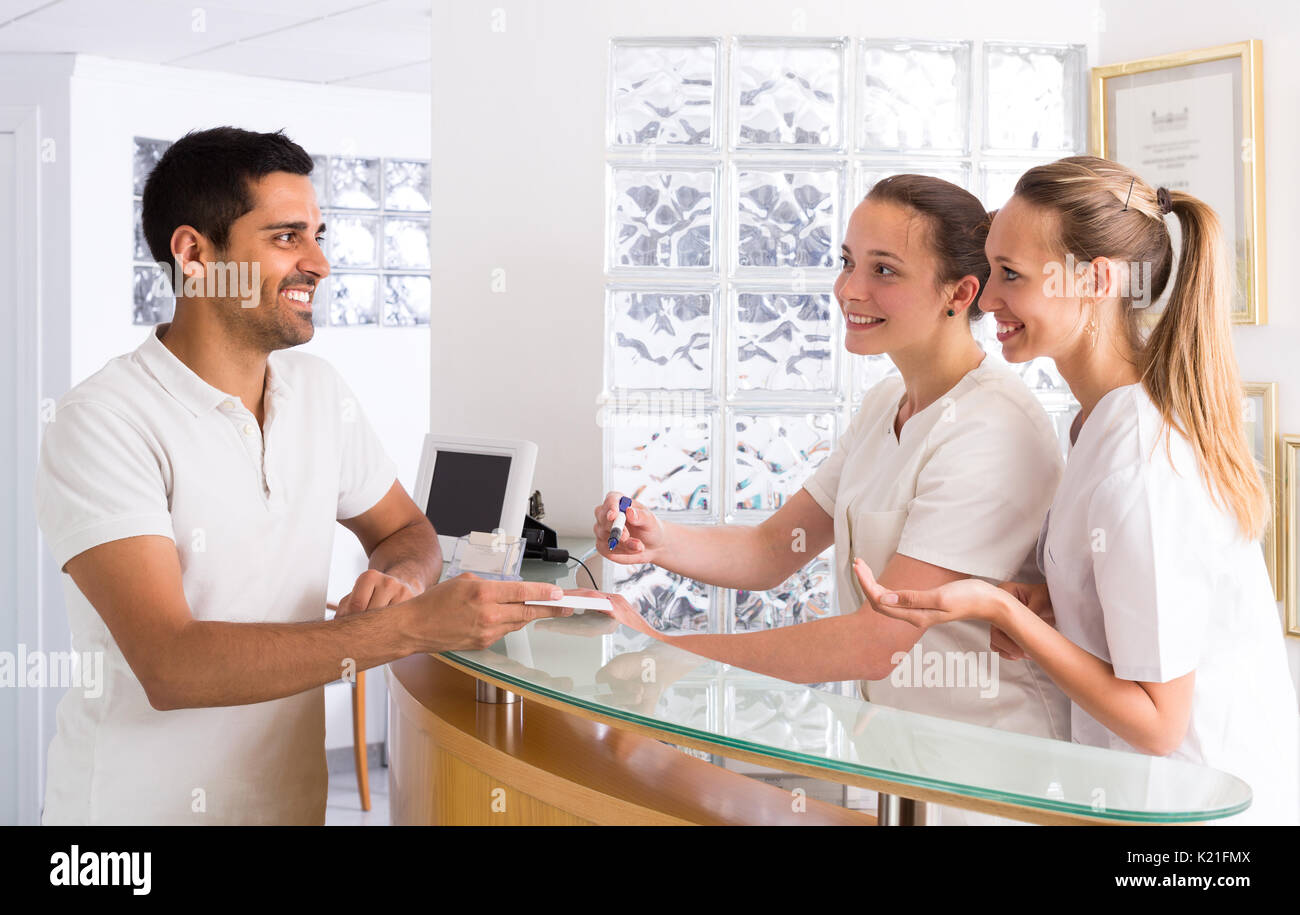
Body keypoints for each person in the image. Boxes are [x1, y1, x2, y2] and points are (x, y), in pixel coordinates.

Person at [34, 127, 570, 825]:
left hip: (288, 806)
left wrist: (400, 580)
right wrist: (410, 626)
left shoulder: (318, 391)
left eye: (319, 235)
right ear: (195, 254)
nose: (318, 263)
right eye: (286, 237)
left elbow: (407, 529)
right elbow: (171, 663)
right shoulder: (102, 421)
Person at [595, 176, 1072, 824]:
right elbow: (772, 550)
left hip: (990, 786)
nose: (851, 288)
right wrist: (660, 539)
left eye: (885, 270)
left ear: (960, 293)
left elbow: (880, 638)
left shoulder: (993, 429)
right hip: (900, 771)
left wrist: (674, 656)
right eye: (848, 261)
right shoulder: (887, 402)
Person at [861, 156, 1300, 826]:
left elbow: (1159, 722)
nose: (987, 299)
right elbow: (1146, 618)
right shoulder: (1099, 423)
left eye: (1012, 275)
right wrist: (1059, 609)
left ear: (1094, 280)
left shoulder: (1141, 462)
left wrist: (1008, 617)